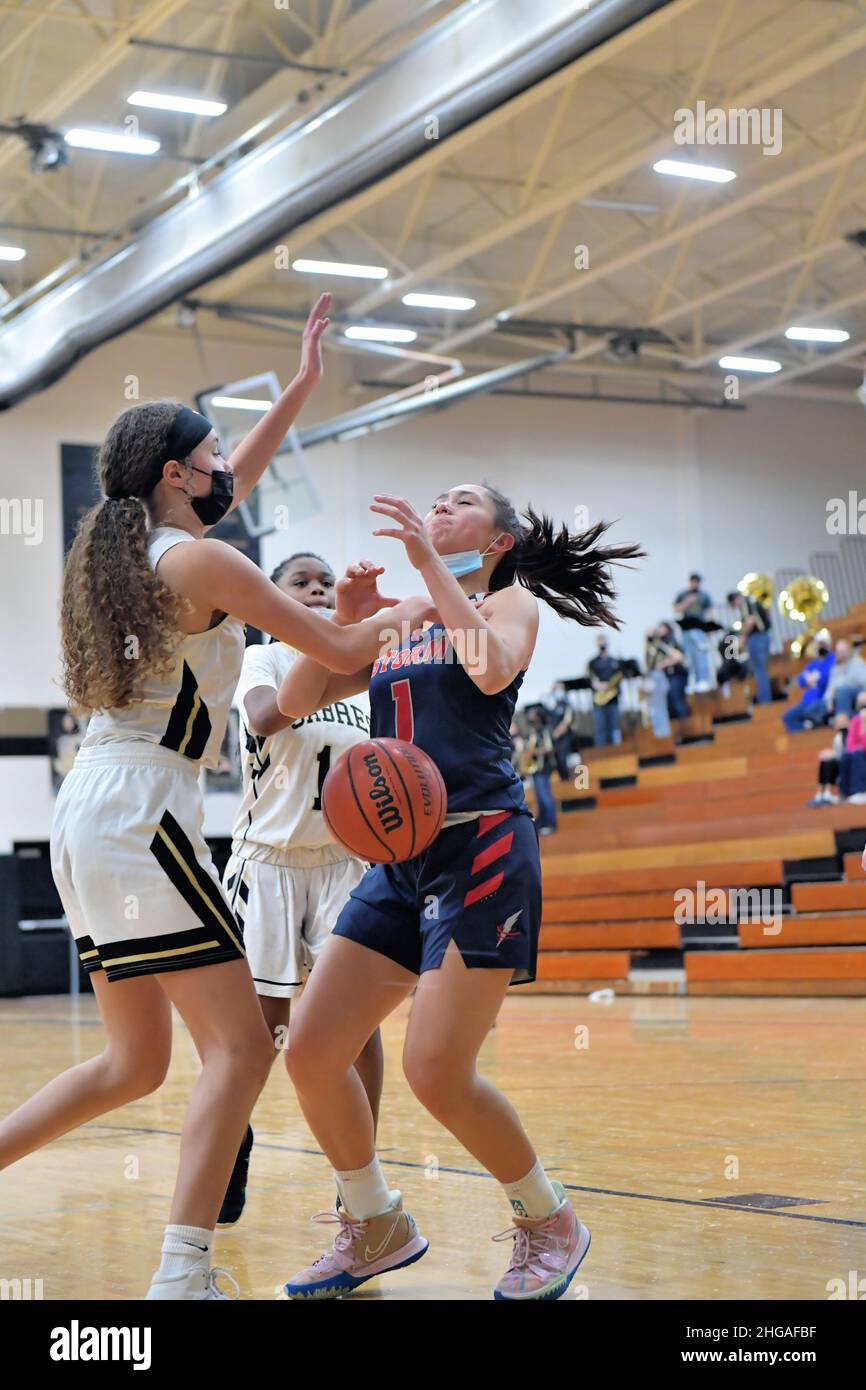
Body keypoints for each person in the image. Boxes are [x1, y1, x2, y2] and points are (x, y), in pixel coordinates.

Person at [0, 293, 434, 1301]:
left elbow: (234, 481)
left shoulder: (122, 554)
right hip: (145, 814)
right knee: (241, 1045)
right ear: (173, 473)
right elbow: (334, 647)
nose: (223, 467)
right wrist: (427, 595)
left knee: (131, 1064)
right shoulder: (200, 559)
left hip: (90, 814)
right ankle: (182, 1273)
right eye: (209, 457)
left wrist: (299, 388)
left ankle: (256, 1242)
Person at [275, 486, 643, 1300]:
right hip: (399, 857)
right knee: (309, 1050)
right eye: (436, 499)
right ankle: (374, 1223)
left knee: (436, 1071)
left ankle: (550, 1220)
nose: (440, 507)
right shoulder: (405, 611)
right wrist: (343, 622)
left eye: (462, 501)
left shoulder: (511, 604)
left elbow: (488, 665)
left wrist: (426, 573)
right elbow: (291, 704)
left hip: (480, 844)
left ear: (501, 539)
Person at [217, 550, 383, 1225]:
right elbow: (262, 717)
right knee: (260, 1038)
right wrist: (346, 650)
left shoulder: (371, 683)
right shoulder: (262, 657)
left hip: (348, 865)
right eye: (300, 583)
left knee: (357, 1029)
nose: (315, 590)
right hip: (270, 865)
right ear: (271, 600)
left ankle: (360, 1183)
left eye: (324, 582)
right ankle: (231, 1144)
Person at [781, 629, 835, 732]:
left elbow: (825, 679)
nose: (821, 646)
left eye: (823, 644)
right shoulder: (813, 663)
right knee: (788, 717)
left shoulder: (833, 659)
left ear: (829, 644)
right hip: (806, 701)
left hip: (821, 700)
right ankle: (802, 737)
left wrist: (811, 679)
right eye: (819, 644)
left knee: (809, 713)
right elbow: (800, 680)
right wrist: (810, 679)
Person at [727, 589, 773, 705]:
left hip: (756, 638)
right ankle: (765, 699)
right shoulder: (753, 602)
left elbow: (750, 621)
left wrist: (742, 638)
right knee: (761, 669)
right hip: (764, 636)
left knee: (759, 670)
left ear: (735, 599)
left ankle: (765, 702)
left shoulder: (746, 604)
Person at [672, 573, 714, 691]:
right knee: (688, 657)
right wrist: (687, 602)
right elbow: (676, 609)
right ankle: (691, 682)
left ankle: (703, 680)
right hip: (686, 630)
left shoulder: (704, 595)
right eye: (693, 581)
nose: (695, 584)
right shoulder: (683, 594)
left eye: (697, 582)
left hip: (699, 629)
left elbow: (710, 611)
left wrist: (709, 628)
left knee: (701, 655)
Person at [523, 705, 558, 836]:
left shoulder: (545, 730)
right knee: (539, 797)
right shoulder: (533, 732)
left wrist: (533, 751)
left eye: (532, 713)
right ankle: (542, 823)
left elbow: (550, 748)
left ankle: (551, 824)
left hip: (544, 768)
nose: (529, 715)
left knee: (545, 797)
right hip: (535, 769)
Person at [806, 714, 849, 807]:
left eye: (842, 721)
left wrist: (834, 754)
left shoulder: (847, 734)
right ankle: (821, 791)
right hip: (840, 760)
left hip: (847, 762)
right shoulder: (837, 736)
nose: (839, 723)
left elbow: (847, 749)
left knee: (829, 762)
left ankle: (829, 791)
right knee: (824, 761)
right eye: (837, 722)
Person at [588, 634, 622, 746]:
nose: (602, 645)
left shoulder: (615, 661)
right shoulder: (592, 663)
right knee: (600, 728)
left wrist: (610, 686)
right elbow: (590, 679)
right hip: (599, 700)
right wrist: (599, 685)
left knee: (614, 727)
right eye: (600, 643)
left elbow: (619, 677)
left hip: (613, 699)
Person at [655, 621, 690, 721]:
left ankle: (686, 724)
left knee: (678, 701)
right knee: (670, 705)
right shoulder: (658, 645)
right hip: (666, 677)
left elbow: (679, 657)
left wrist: (666, 663)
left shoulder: (673, 642)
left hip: (677, 675)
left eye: (662, 628)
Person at [825, 639, 866, 718]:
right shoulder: (835, 667)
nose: (842, 654)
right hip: (835, 698)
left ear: (849, 650)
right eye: (839, 652)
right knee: (815, 706)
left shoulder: (857, 662)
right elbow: (830, 687)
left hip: (856, 693)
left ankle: (843, 722)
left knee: (842, 690)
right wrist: (828, 700)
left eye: (844, 651)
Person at [544, 680, 575, 779]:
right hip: (554, 740)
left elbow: (566, 722)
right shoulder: (550, 707)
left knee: (563, 759)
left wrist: (556, 734)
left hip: (564, 738)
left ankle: (568, 780)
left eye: (560, 689)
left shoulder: (567, 706)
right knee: (557, 762)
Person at [839, 693, 866, 803]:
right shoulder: (855, 720)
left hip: (862, 753)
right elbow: (849, 743)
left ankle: (860, 790)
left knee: (858, 754)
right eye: (862, 707)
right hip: (857, 752)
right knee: (846, 756)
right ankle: (845, 793)